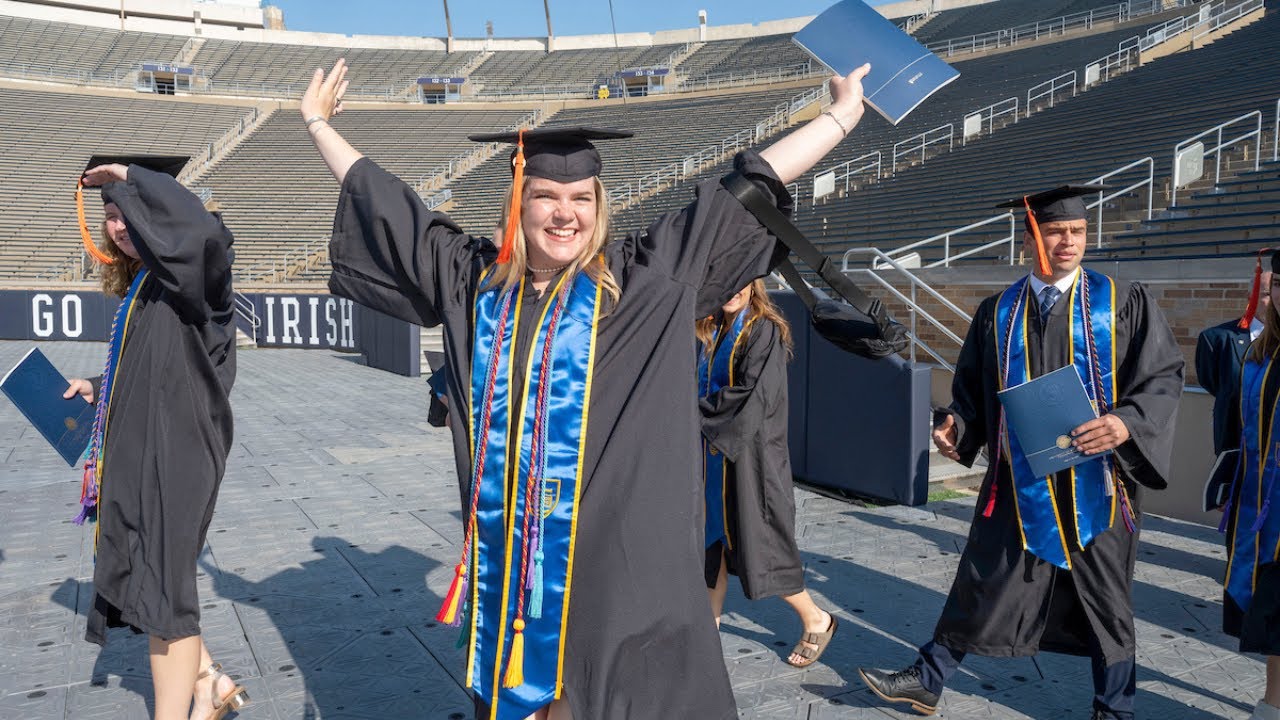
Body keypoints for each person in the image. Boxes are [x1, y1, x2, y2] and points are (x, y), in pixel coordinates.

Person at [299, 59, 873, 720]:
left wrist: (840, 116)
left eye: (581, 199)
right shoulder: (473, 288)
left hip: (618, 568)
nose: (565, 213)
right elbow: (388, 204)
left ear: (599, 207)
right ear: (519, 202)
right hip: (516, 566)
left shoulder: (643, 281)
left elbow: (743, 189)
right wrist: (317, 124)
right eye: (546, 195)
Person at [857, 185, 1184, 720]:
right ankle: (928, 679)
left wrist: (1125, 425)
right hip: (1019, 481)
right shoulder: (998, 312)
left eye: (1077, 231)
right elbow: (972, 395)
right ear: (1031, 236)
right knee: (984, 576)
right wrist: (957, 428)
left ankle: (1116, 709)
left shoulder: (1121, 301)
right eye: (1056, 231)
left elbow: (1163, 376)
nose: (1069, 242)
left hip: (1097, 481)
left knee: (1106, 598)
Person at [64, 156, 246, 720]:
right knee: (150, 574)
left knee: (166, 595)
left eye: (133, 212)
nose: (120, 226)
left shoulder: (198, 275)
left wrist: (133, 177)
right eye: (112, 216)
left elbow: (198, 231)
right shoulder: (145, 285)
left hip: (179, 453)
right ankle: (209, 681)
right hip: (143, 450)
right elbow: (149, 363)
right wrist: (98, 386)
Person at [698, 278, 836, 667]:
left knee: (763, 549)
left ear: (754, 285)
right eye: (725, 281)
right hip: (716, 462)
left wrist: (694, 414)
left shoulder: (763, 329)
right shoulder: (714, 329)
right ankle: (705, 643)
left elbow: (753, 396)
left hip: (751, 462)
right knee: (713, 554)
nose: (732, 290)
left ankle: (816, 619)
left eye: (740, 282)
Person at [1222, 251, 1280, 720]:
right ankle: (1272, 704)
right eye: (1278, 284)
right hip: (1267, 509)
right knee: (1276, 615)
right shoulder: (1263, 353)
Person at [1196, 257, 1272, 455]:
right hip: (1236, 449)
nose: (1274, 300)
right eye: (1266, 294)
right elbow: (1216, 386)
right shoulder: (1216, 340)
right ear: (1250, 296)